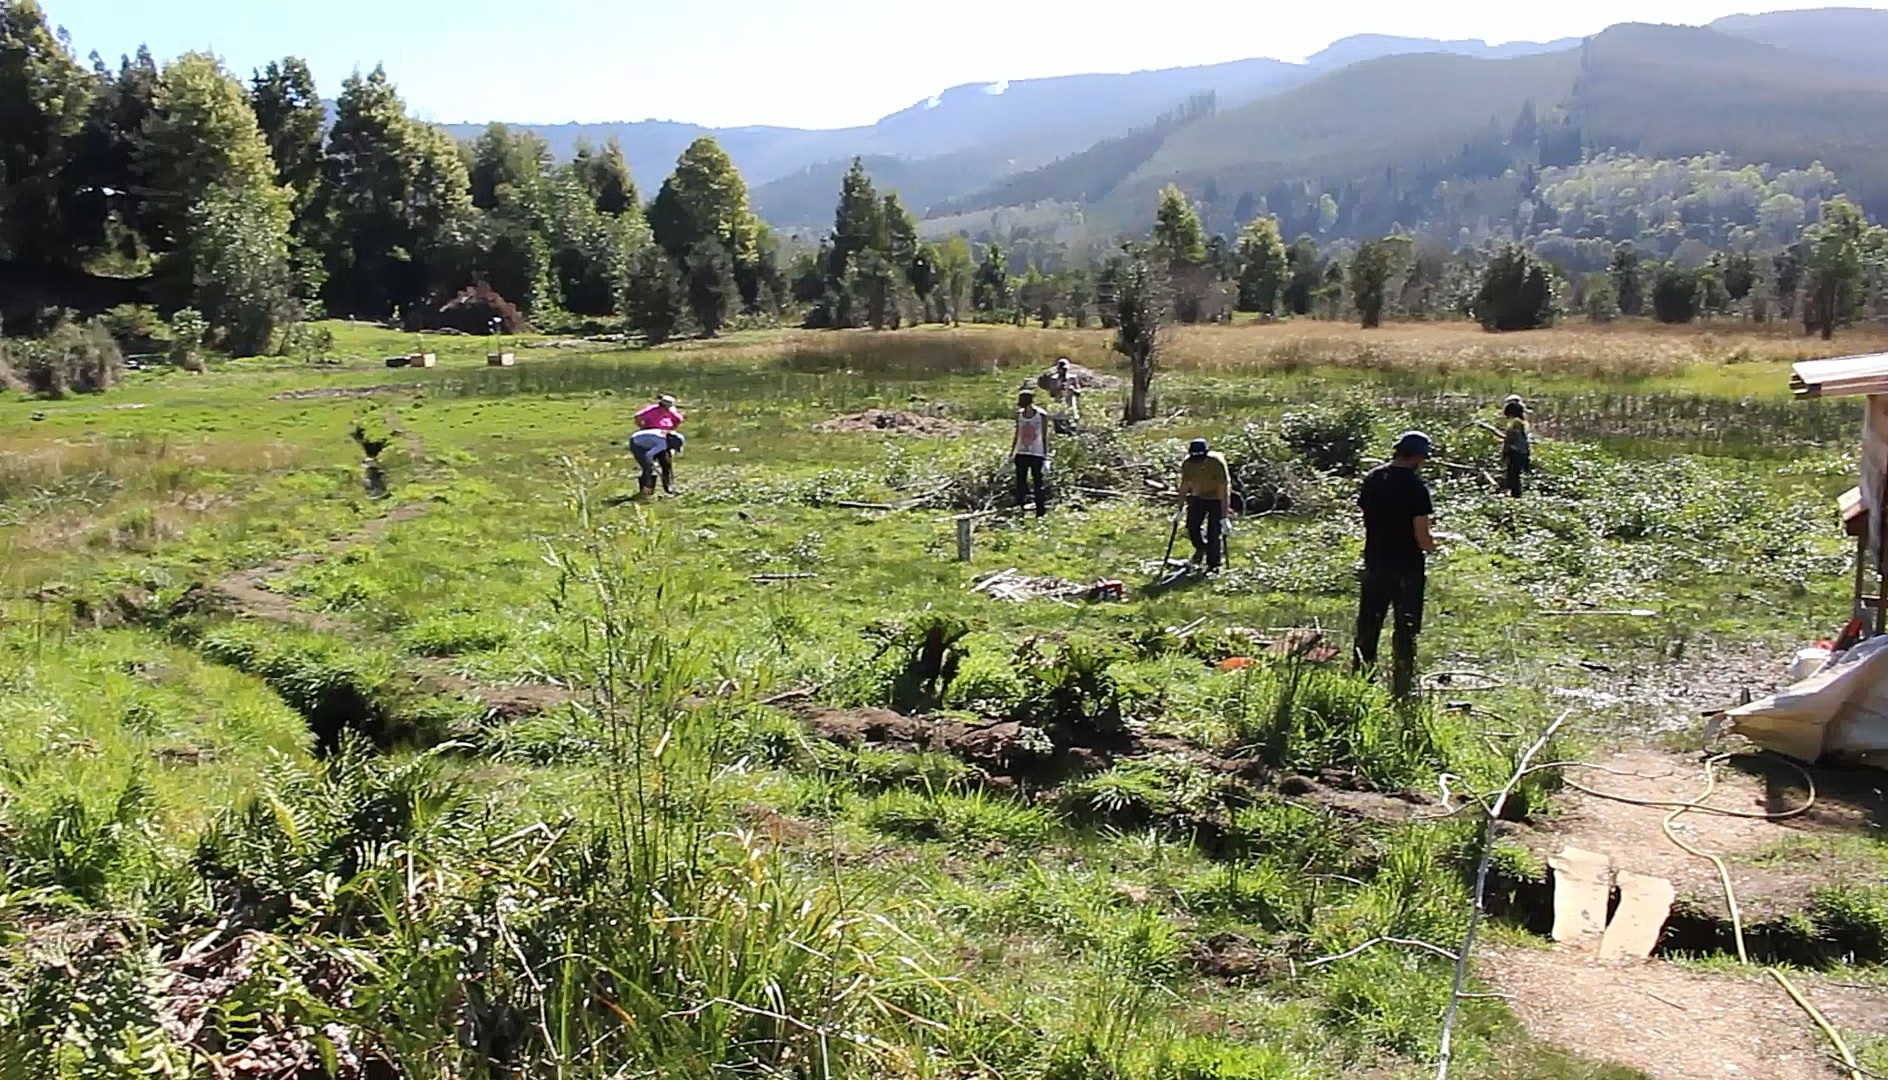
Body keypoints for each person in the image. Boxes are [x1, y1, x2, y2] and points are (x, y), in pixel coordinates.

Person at [1353, 430, 1438, 698]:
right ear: (1417, 457)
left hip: (1376, 560)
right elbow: (1421, 536)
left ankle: (1361, 677)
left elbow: (1366, 513)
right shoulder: (1415, 487)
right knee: (1406, 626)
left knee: (1369, 623)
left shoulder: (1375, 478)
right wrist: (1434, 547)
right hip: (1407, 566)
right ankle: (1402, 682)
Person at [1177, 438, 1233, 571]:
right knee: (1192, 527)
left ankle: (1213, 565)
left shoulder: (1216, 463)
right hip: (1198, 496)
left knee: (1214, 532)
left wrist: (1224, 517)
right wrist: (1179, 509)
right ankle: (1201, 548)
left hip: (1216, 498)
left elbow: (1224, 489)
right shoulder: (1188, 463)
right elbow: (1184, 486)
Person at [1012, 388, 1050, 518]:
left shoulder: (1041, 415)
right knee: (1020, 482)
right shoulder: (1020, 415)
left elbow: (1045, 436)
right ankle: (1020, 508)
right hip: (1022, 452)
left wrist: (1046, 456)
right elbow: (1017, 434)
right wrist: (1012, 452)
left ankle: (1040, 511)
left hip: (1036, 453)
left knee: (1038, 483)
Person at [629, 428, 685, 497]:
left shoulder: (669, 438)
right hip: (636, 443)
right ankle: (646, 493)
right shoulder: (662, 443)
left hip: (647, 440)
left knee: (664, 463)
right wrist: (652, 464)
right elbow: (648, 455)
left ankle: (667, 488)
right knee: (648, 469)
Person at [1499, 394, 1531, 498]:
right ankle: (1515, 494)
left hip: (1515, 452)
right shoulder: (1522, 422)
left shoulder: (1515, 423)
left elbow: (1510, 439)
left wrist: (1505, 452)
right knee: (1514, 475)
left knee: (1513, 476)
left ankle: (1515, 495)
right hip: (1522, 452)